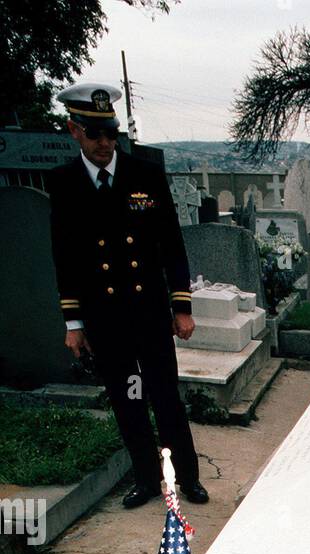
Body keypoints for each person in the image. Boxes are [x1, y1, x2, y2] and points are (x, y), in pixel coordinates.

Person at [47, 83, 208, 508]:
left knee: (165, 395)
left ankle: (187, 477)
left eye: (111, 134)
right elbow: (64, 255)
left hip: (149, 312)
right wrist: (73, 323)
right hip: (106, 317)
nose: (104, 143)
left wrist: (181, 307)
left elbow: (171, 246)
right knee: (128, 398)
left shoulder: (145, 175)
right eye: (95, 134)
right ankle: (147, 478)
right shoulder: (63, 183)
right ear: (74, 131)